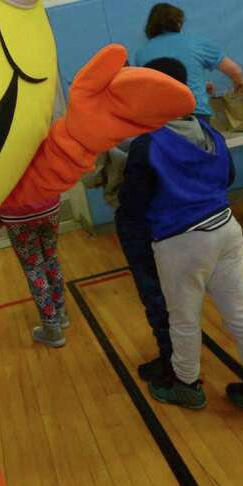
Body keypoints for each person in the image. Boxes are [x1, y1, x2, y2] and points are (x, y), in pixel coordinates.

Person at [120, 57, 243, 424]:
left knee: (183, 317)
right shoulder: (210, 131)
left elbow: (133, 204)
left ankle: (187, 385)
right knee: (241, 310)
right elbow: (227, 177)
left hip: (181, 240)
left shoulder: (148, 145)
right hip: (225, 229)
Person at [84, 141, 172, 382]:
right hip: (171, 202)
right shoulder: (159, 115)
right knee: (179, 285)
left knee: (152, 287)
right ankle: (185, 350)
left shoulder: (102, 124)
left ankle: (171, 358)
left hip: (132, 211)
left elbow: (90, 178)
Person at [132, 3, 243, 121]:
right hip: (195, 114)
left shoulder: (141, 54)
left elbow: (163, 80)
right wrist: (240, 85)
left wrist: (202, 84)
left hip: (162, 121)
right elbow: (235, 71)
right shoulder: (195, 43)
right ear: (178, 23)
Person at [0, 196, 70, 347]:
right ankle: (61, 315)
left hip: (17, 215)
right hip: (49, 206)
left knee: (33, 269)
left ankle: (52, 329)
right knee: (51, 260)